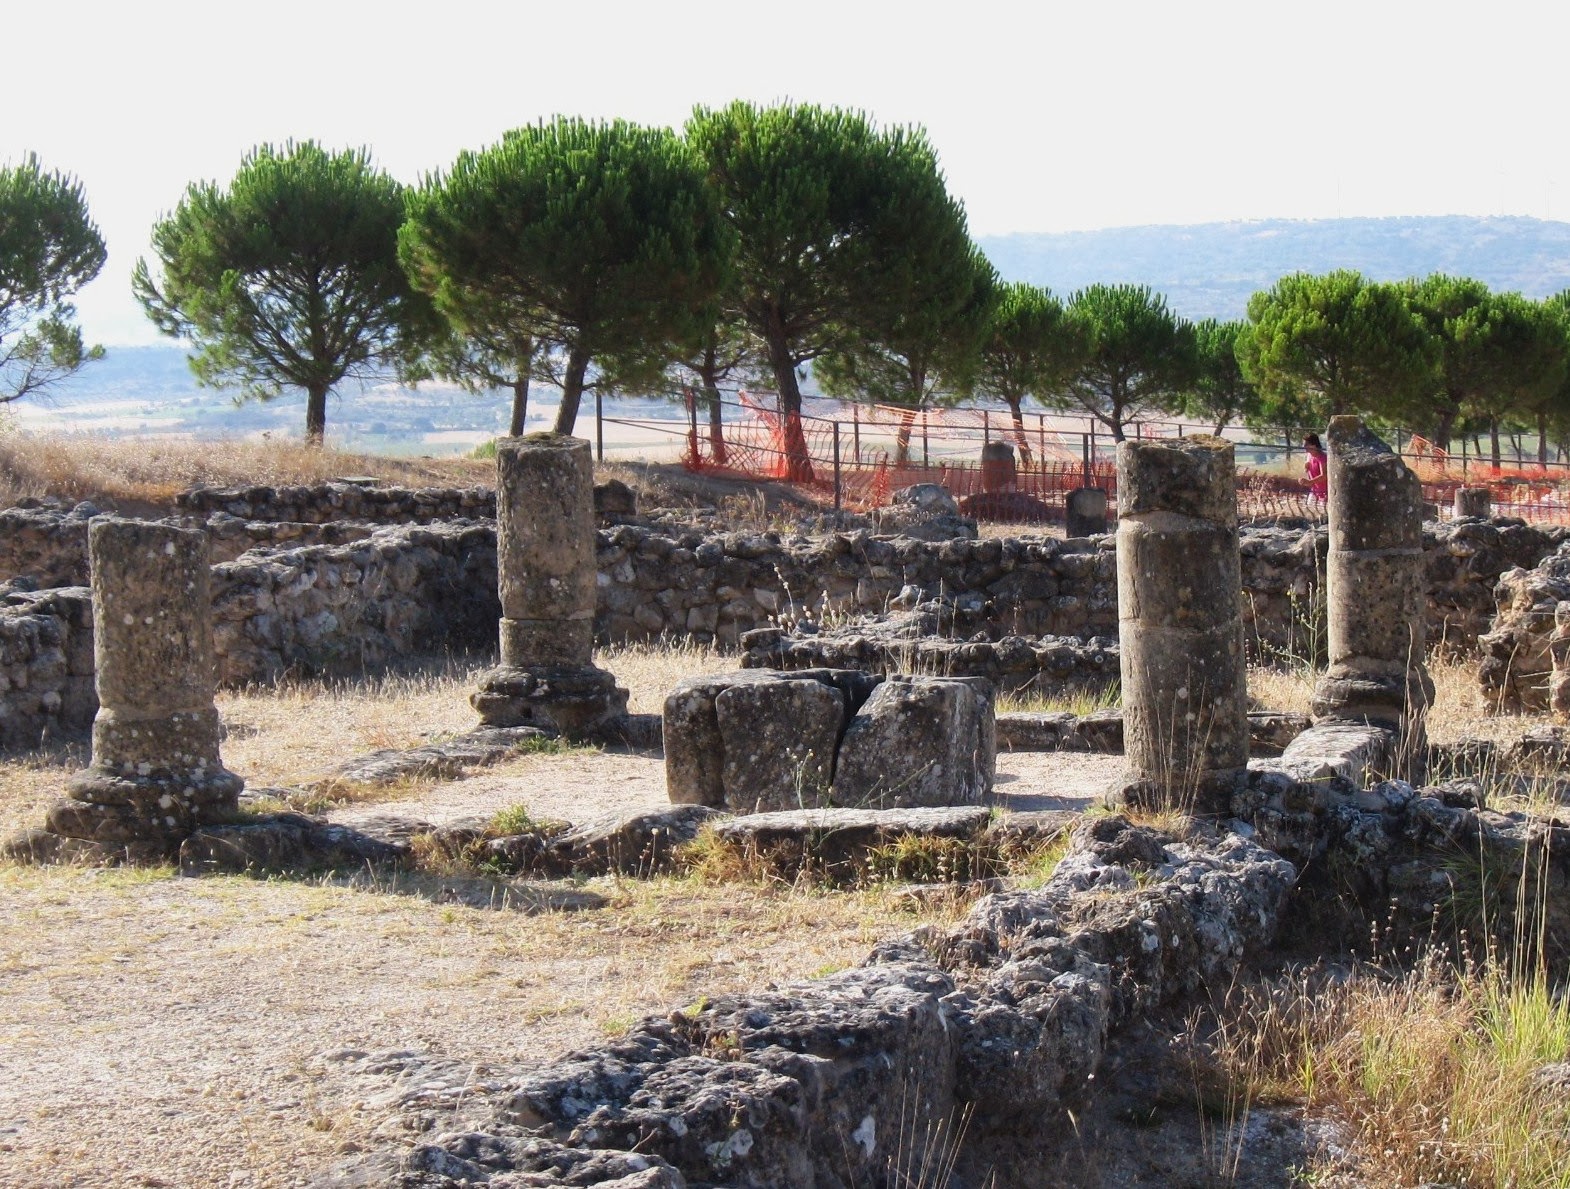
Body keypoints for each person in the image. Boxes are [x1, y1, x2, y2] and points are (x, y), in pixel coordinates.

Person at [1302, 432, 1328, 503]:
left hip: (1324, 493)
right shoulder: (1309, 455)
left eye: (1306, 444)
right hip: (1314, 492)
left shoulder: (1322, 458)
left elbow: (1324, 476)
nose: (1304, 446)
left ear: (1314, 445)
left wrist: (1310, 482)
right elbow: (1307, 468)